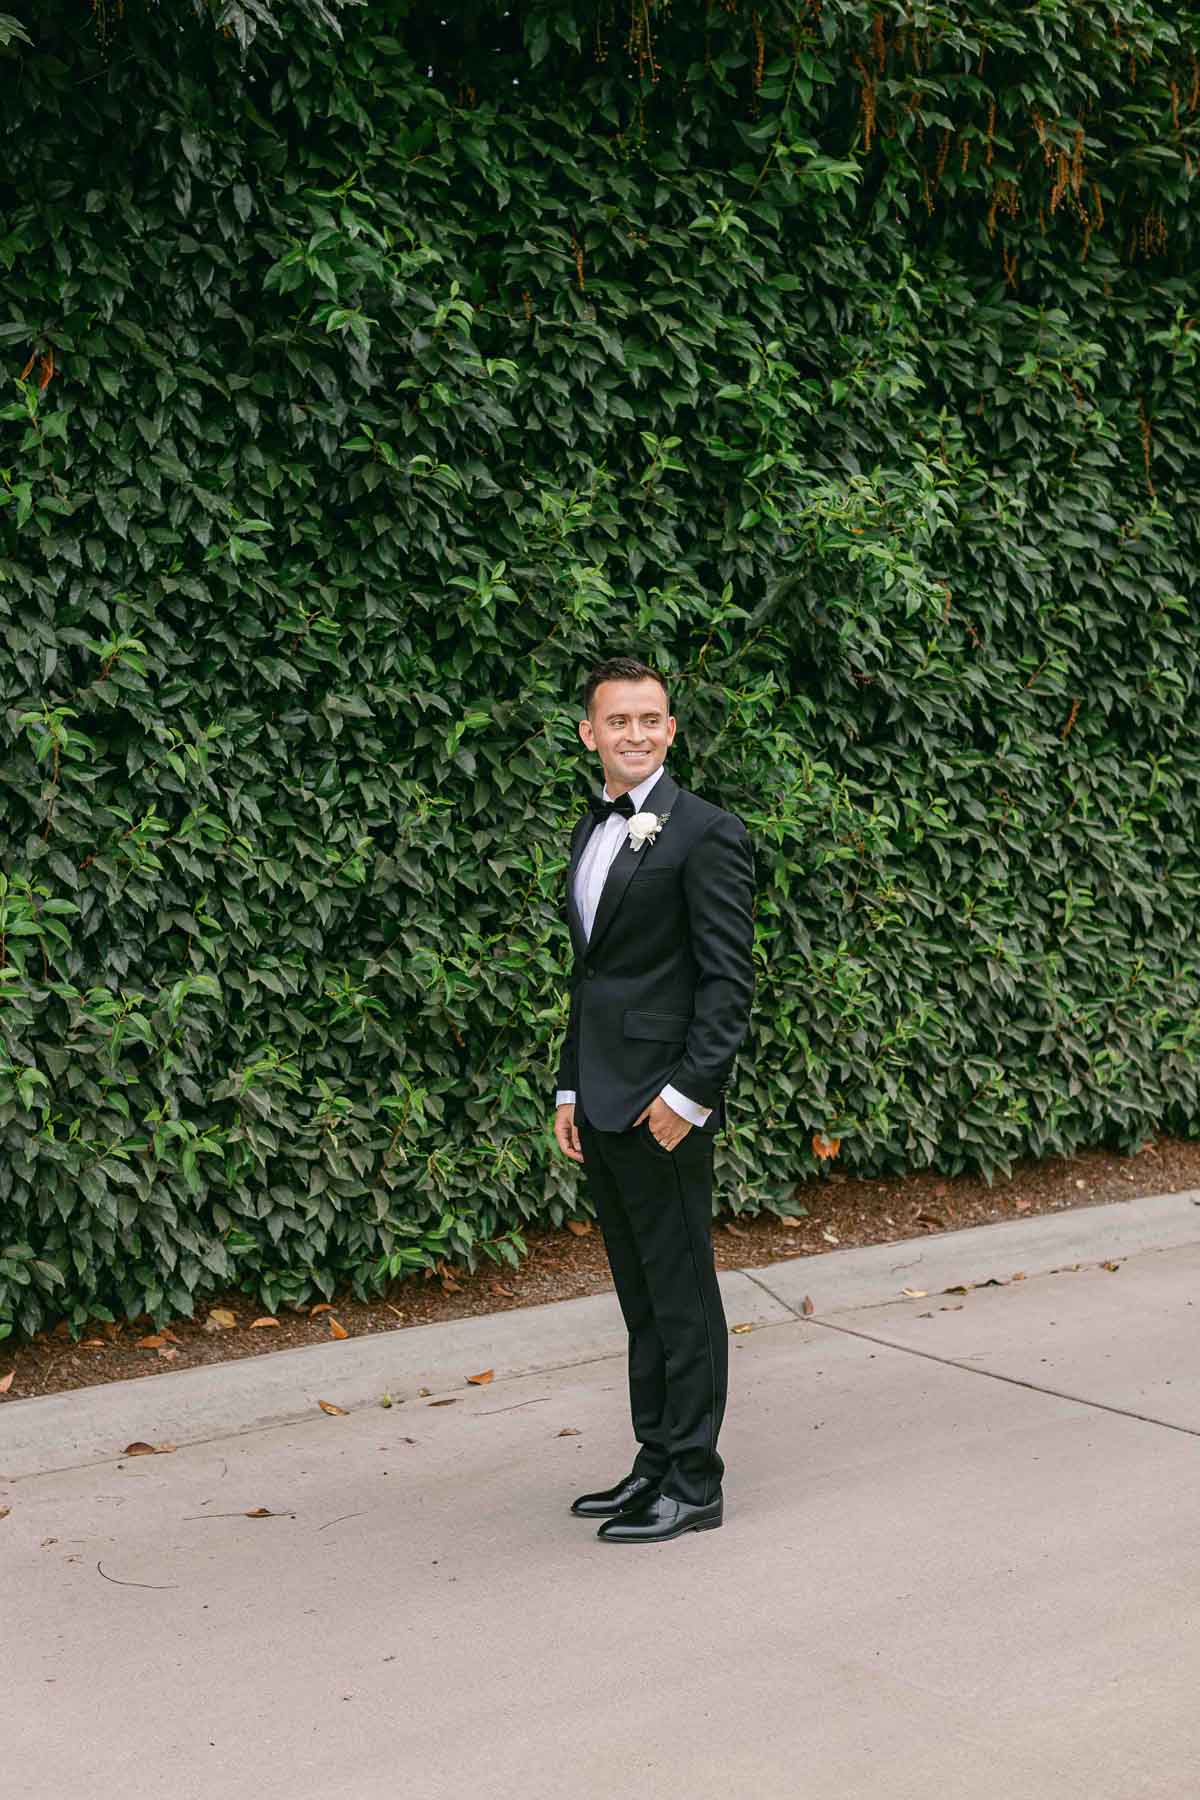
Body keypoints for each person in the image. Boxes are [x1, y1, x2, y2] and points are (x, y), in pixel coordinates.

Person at [553, 656, 756, 1543]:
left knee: (682, 1295)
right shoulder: (593, 829)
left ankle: (696, 1481)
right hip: (598, 1099)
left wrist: (690, 1095)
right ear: (589, 732)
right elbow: (591, 977)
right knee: (639, 1295)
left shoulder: (705, 832)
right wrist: (567, 1082)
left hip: (663, 1105)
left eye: (652, 719)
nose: (635, 734)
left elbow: (728, 983)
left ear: (671, 732)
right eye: (618, 720)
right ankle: (654, 1460)